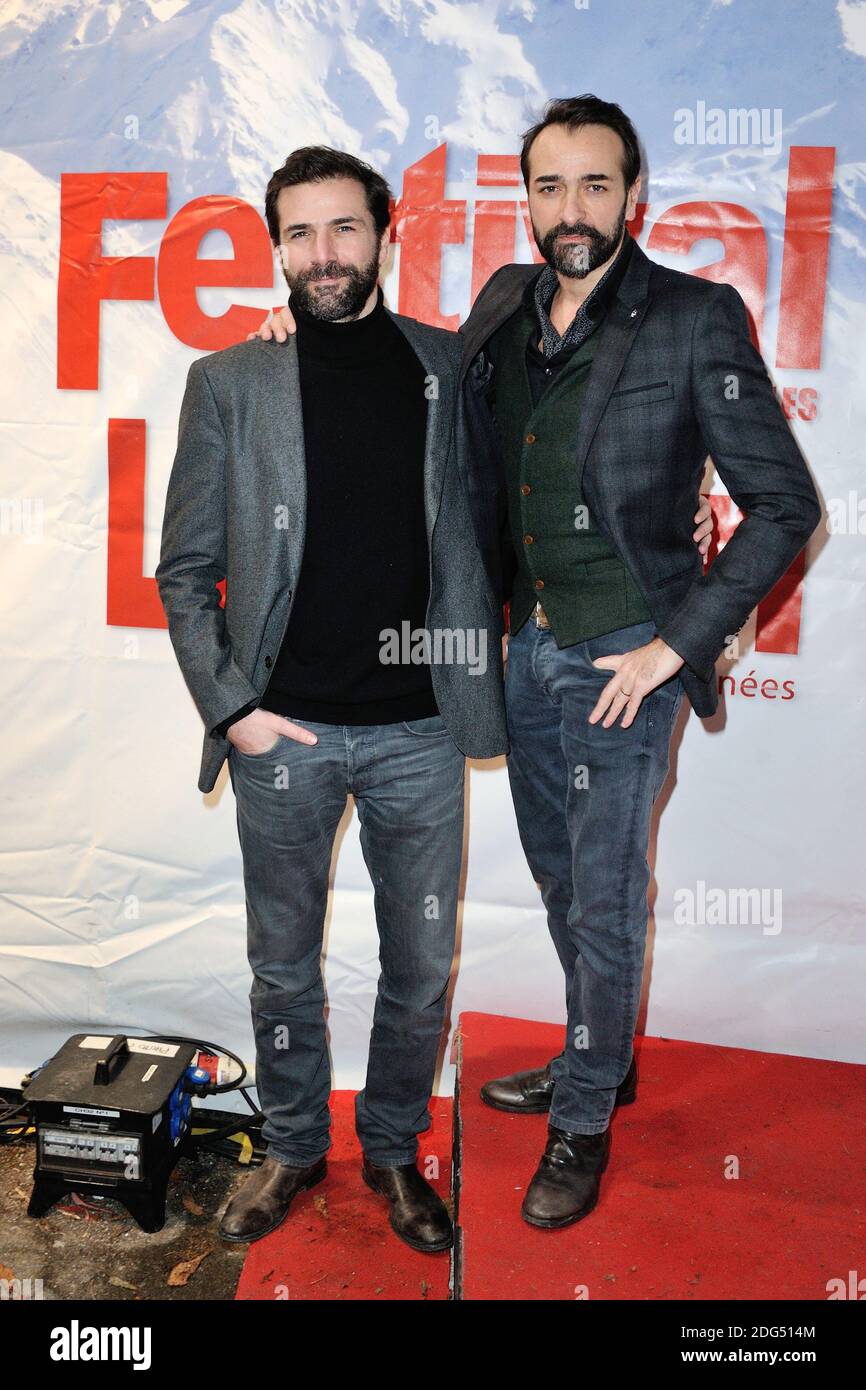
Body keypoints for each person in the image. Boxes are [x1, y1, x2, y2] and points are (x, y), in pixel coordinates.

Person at [156, 146, 510, 1254]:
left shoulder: (445, 367)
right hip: (285, 734)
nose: (323, 254)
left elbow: (519, 492)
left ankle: (395, 1152)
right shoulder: (229, 380)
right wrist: (234, 709)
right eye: (300, 235)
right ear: (277, 251)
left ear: (382, 234)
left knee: (417, 965)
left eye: (343, 229)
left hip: (417, 729)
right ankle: (298, 1147)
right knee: (281, 962)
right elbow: (183, 569)